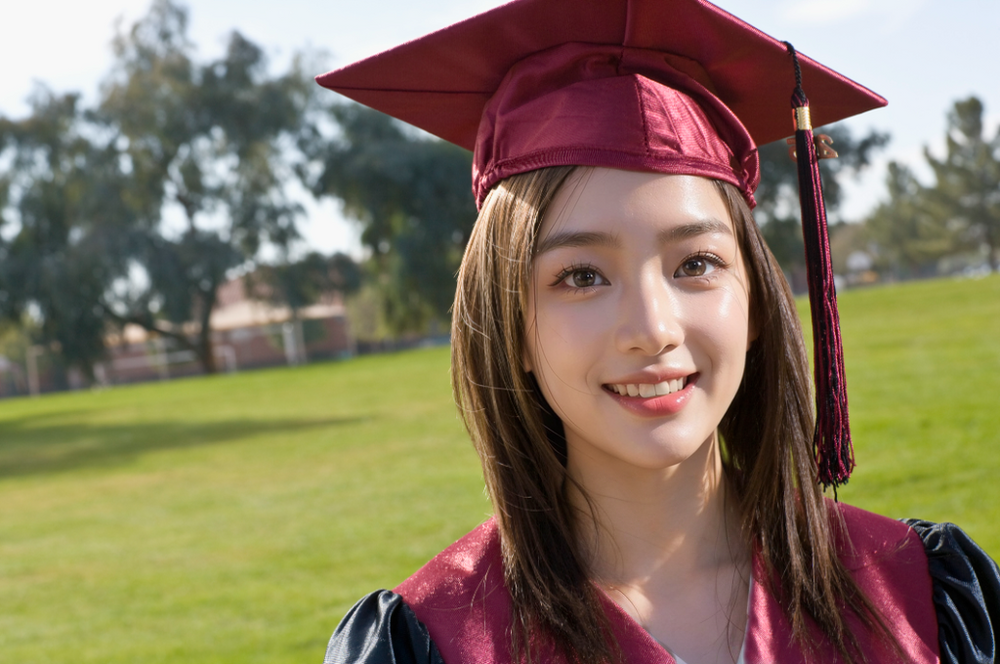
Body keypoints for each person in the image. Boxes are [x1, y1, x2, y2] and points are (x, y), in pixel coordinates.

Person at [316, 0, 1000, 662]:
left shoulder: (920, 600)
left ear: (757, 301)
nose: (652, 328)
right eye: (581, 276)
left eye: (696, 263)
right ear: (511, 325)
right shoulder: (434, 641)